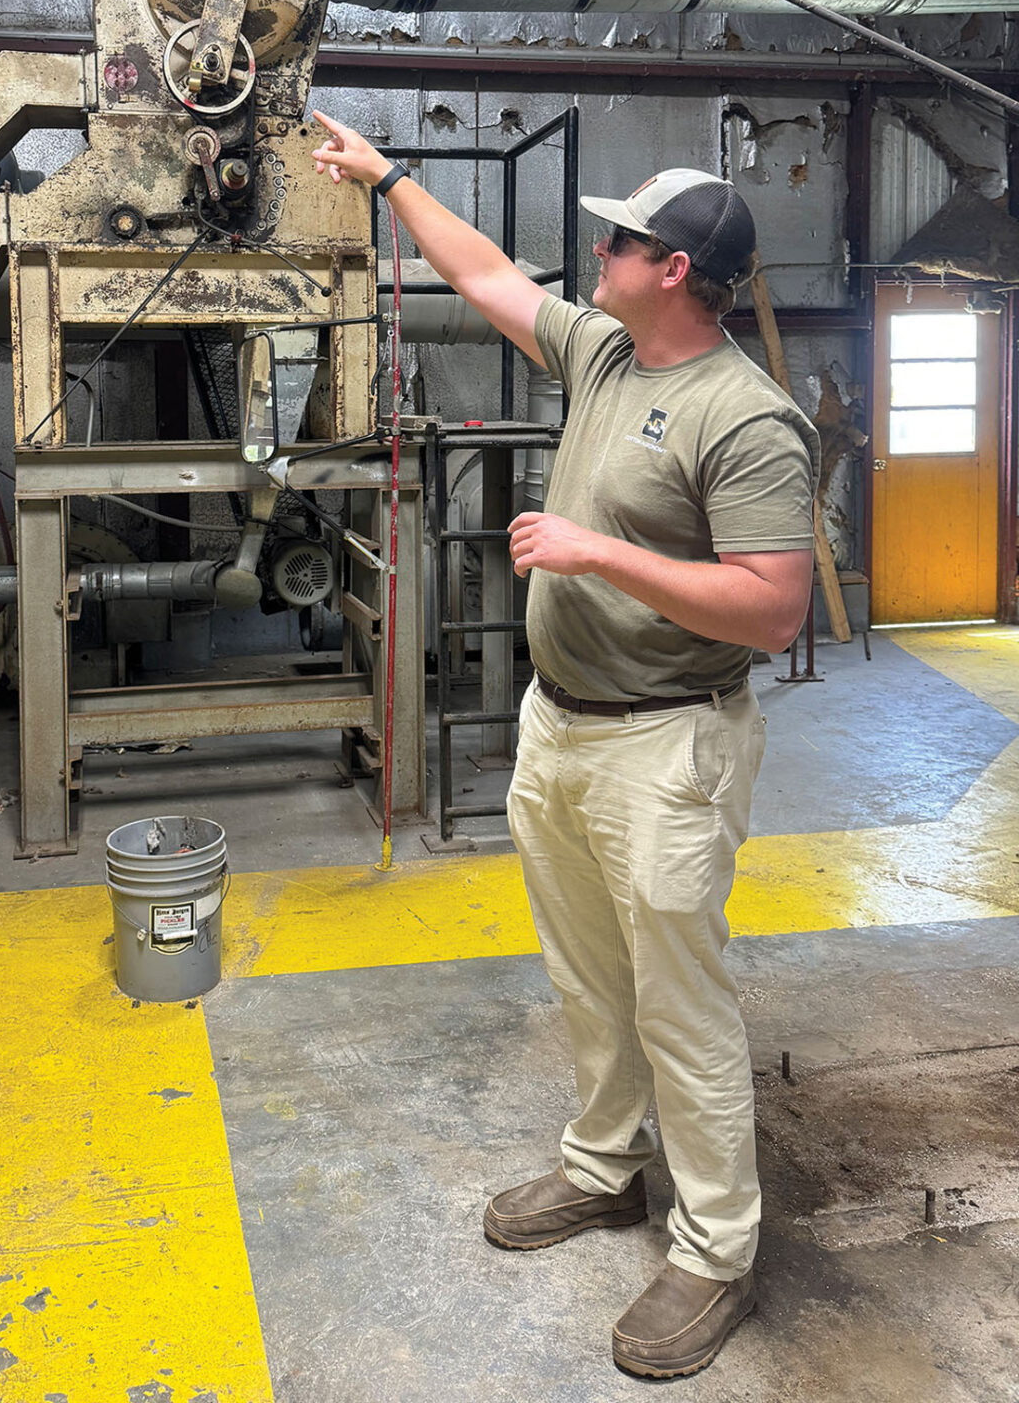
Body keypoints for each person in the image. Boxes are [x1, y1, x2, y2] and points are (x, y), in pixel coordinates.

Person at [311, 111, 819, 1380]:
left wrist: (596, 551)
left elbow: (774, 605)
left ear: (677, 272)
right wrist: (393, 179)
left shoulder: (744, 416)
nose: (599, 246)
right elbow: (485, 273)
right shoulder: (605, 353)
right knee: (591, 978)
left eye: (624, 238)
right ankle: (605, 1169)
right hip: (565, 724)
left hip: (670, 749)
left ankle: (715, 1248)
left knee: (680, 1000)